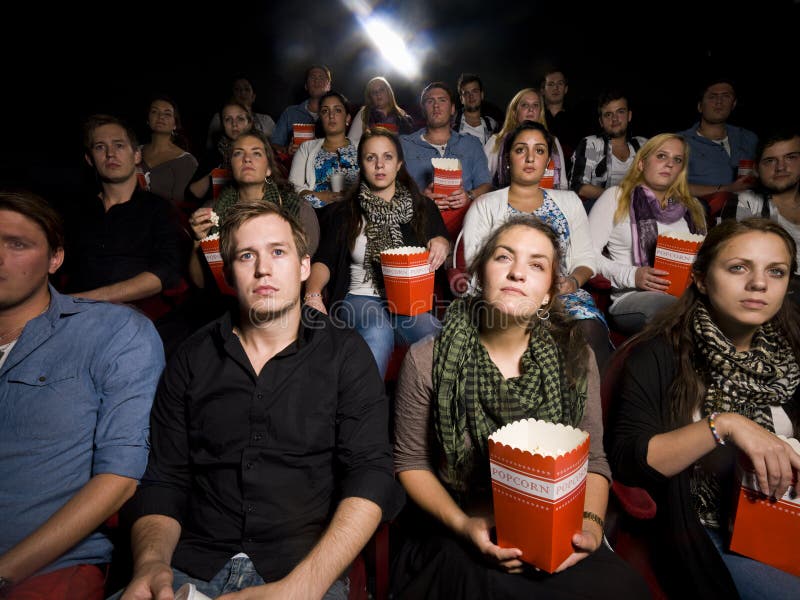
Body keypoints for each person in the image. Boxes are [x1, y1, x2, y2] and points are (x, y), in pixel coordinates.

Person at [115, 200, 402, 600]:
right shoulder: (191, 356)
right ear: (229, 274)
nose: (263, 268)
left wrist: (301, 588)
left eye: (278, 252)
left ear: (304, 267)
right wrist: (151, 565)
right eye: (247, 255)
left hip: (301, 570)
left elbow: (370, 475)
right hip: (190, 565)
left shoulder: (346, 354)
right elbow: (165, 478)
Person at [391, 216, 650, 599]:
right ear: (480, 273)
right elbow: (410, 462)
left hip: (553, 529)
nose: (516, 273)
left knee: (625, 588)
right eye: (503, 258)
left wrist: (591, 528)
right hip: (460, 526)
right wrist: (464, 525)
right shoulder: (426, 358)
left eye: (536, 265)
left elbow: (593, 460)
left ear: (548, 292)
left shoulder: (576, 358)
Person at [608, 217, 800, 599]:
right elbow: (628, 459)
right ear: (699, 279)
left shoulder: (792, 352)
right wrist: (724, 425)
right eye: (738, 267)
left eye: (775, 271)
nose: (759, 283)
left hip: (786, 522)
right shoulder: (658, 354)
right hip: (703, 532)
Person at [0, 190, 163, 600]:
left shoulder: (111, 332)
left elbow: (121, 476)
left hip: (44, 572)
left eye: (17, 244)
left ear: (55, 259)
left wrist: (4, 573)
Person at [463, 121, 611, 372]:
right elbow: (473, 265)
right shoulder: (485, 204)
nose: (530, 158)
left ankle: (588, 409)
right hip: (508, 295)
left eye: (539, 151)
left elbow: (587, 258)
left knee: (587, 328)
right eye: (521, 150)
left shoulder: (570, 201)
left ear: (548, 161)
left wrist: (572, 282)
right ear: (508, 158)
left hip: (564, 296)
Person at [306, 127, 450, 378]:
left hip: (406, 303)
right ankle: (364, 412)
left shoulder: (422, 207)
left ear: (399, 164)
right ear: (362, 164)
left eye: (388, 157)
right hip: (359, 298)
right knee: (378, 328)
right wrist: (312, 293)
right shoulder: (344, 212)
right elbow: (324, 261)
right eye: (371, 158)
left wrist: (441, 243)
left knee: (439, 333)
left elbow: (442, 243)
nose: (380, 165)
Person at [588, 133, 707, 335]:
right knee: (673, 307)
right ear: (642, 164)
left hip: (688, 293)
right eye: (661, 156)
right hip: (634, 297)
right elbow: (586, 255)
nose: (669, 164)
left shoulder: (692, 207)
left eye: (677, 160)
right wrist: (632, 275)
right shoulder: (616, 197)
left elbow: (707, 258)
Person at [63, 114, 184, 304]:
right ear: (89, 159)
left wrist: (85, 300)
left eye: (119, 145)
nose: (110, 153)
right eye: (100, 147)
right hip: (70, 316)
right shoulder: (74, 211)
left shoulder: (159, 209)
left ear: (136, 155)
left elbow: (167, 271)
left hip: (137, 315)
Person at [188, 129, 320, 288]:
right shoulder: (210, 212)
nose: (247, 159)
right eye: (238, 153)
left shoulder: (298, 209)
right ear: (231, 167)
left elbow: (300, 275)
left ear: (269, 169)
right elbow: (200, 284)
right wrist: (197, 241)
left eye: (256, 153)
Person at [400, 82, 492, 239]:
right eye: (430, 101)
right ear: (423, 109)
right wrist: (421, 199)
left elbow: (486, 185)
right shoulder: (404, 144)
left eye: (442, 100)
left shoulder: (471, 144)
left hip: (464, 228)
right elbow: (392, 190)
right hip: (419, 226)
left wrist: (469, 195)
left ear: (453, 109)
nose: (436, 106)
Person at [679, 77, 758, 200]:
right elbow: (669, 185)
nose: (719, 101)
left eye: (726, 96)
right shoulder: (679, 141)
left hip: (747, 213)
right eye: (712, 96)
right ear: (700, 106)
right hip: (699, 214)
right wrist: (727, 189)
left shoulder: (748, 138)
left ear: (734, 104)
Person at [730, 131, 800, 270]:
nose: (780, 167)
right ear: (756, 169)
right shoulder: (747, 203)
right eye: (770, 161)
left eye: (790, 157)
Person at [570, 89, 648, 213]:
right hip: (600, 210)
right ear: (601, 121)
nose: (615, 118)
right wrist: (622, 197)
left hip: (639, 211)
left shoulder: (643, 145)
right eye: (608, 114)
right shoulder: (592, 144)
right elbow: (579, 186)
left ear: (629, 116)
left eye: (620, 112)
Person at [485, 88, 568, 191]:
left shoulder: (553, 141)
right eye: (525, 105)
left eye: (535, 105)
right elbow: (484, 182)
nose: (531, 109)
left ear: (540, 112)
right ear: (514, 112)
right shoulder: (496, 141)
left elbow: (563, 184)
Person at [290, 91, 359, 208]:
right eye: (325, 111)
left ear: (347, 118)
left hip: (355, 209)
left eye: (337, 110)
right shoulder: (307, 147)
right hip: (318, 211)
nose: (331, 115)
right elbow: (293, 187)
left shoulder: (362, 146)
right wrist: (320, 196)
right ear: (320, 118)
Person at [187, 100, 254, 205]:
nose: (234, 124)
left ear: (249, 123)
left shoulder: (261, 152)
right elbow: (192, 195)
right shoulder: (214, 155)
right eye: (228, 119)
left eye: (240, 119)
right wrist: (215, 172)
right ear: (223, 125)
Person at [139, 94, 198, 211]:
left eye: (167, 114)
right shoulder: (133, 152)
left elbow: (182, 204)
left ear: (175, 124)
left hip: (166, 224)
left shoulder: (186, 161)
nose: (161, 116)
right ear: (147, 120)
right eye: (155, 112)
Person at [271, 65, 332, 155]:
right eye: (312, 77)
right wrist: (287, 150)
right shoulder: (290, 113)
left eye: (321, 77)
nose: (317, 80)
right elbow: (274, 144)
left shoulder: (336, 113)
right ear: (306, 86)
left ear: (329, 86)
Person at [205, 77, 275, 150]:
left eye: (247, 89)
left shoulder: (266, 120)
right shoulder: (218, 118)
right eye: (237, 89)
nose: (242, 93)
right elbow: (210, 149)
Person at [347, 76, 414, 145]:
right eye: (373, 92)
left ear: (388, 92)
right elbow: (351, 141)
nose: (378, 94)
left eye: (381, 90)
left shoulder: (402, 115)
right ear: (370, 97)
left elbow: (410, 144)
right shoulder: (364, 113)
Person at [541, 68, 581, 161]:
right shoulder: (535, 118)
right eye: (551, 84)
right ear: (542, 90)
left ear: (566, 89)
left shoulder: (578, 120)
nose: (556, 88)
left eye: (560, 83)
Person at [453, 73, 499, 146]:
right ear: (461, 99)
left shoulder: (492, 125)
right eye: (466, 93)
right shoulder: (451, 123)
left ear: (482, 95)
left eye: (475, 91)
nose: (471, 96)